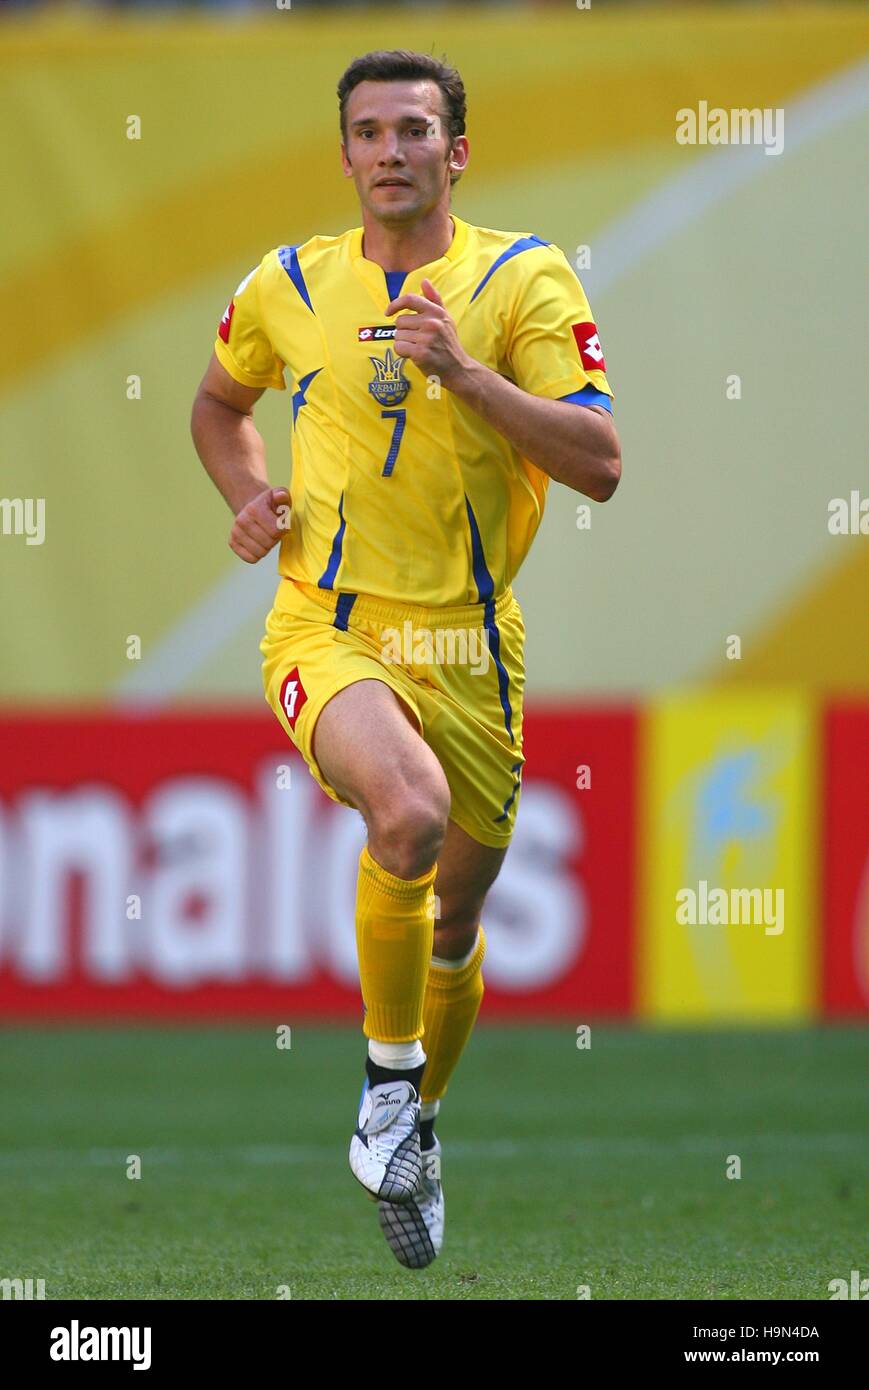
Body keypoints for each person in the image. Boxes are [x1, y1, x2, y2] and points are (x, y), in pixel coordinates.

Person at [191, 48, 620, 1270]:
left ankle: (417, 1124)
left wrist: (462, 372)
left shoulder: (518, 277)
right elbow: (217, 407)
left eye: (414, 130)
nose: (390, 150)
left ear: (455, 151)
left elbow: (598, 462)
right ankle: (388, 1092)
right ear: (344, 155)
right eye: (368, 132)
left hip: (473, 646)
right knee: (410, 814)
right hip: (325, 623)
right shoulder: (283, 284)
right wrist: (250, 495)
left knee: (459, 913)